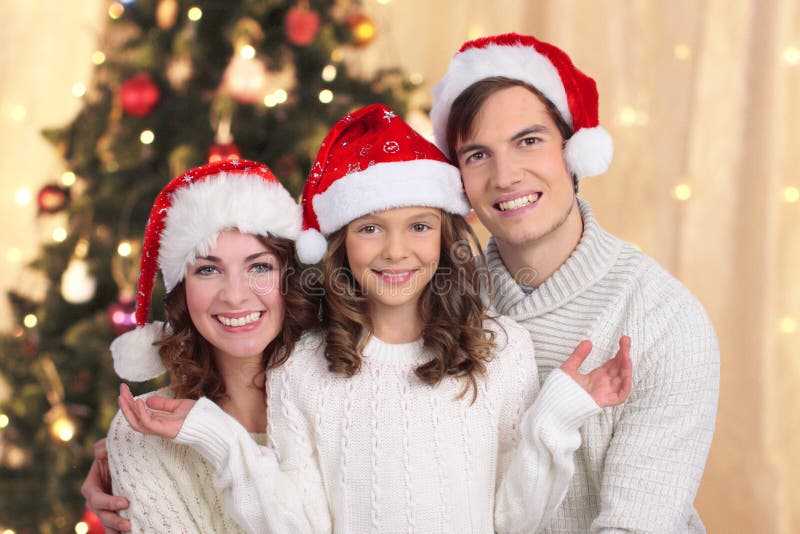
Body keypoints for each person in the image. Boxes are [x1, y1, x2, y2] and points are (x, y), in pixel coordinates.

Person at [117, 103, 632, 533]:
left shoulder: (501, 350)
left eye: (419, 226)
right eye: (369, 229)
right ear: (340, 244)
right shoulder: (302, 366)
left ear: (445, 237)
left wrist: (556, 418)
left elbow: (514, 519)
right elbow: (301, 525)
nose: (396, 251)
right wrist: (219, 436)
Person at [429, 32, 720, 532]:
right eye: (477, 154)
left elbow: (634, 525)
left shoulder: (665, 318)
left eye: (528, 141)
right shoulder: (440, 303)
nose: (505, 176)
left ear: (572, 151)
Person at [100, 158, 319, 533]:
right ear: (182, 293)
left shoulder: (343, 400)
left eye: (260, 267)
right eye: (207, 269)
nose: (235, 296)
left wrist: (219, 438)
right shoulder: (140, 434)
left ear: (288, 280)